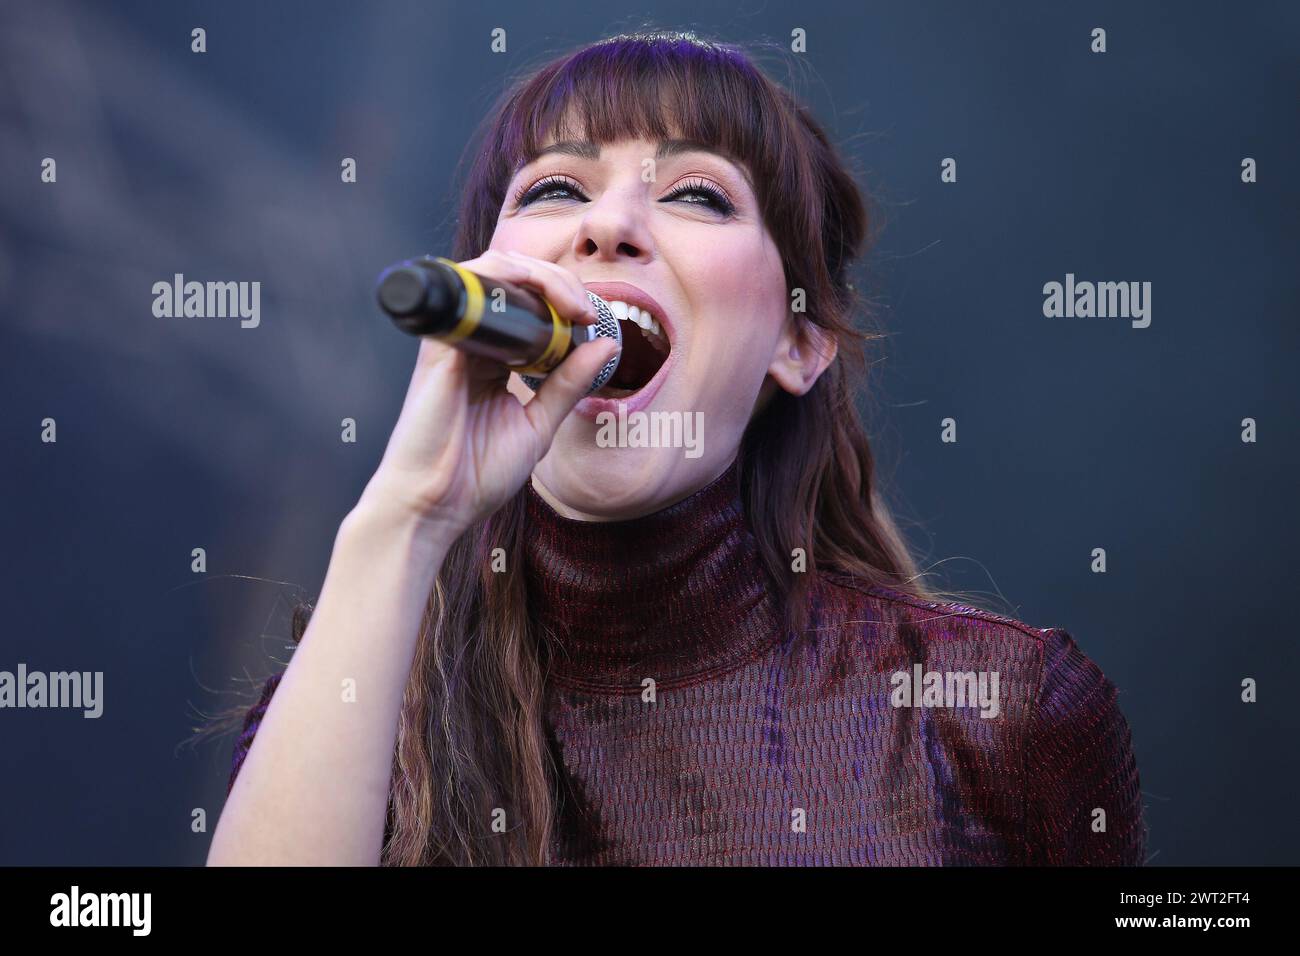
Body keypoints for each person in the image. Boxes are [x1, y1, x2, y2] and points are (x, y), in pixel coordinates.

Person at [207, 30, 1145, 866]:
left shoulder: (994, 716)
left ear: (798, 339)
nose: (607, 224)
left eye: (698, 194)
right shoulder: (356, 708)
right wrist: (404, 520)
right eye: (556, 188)